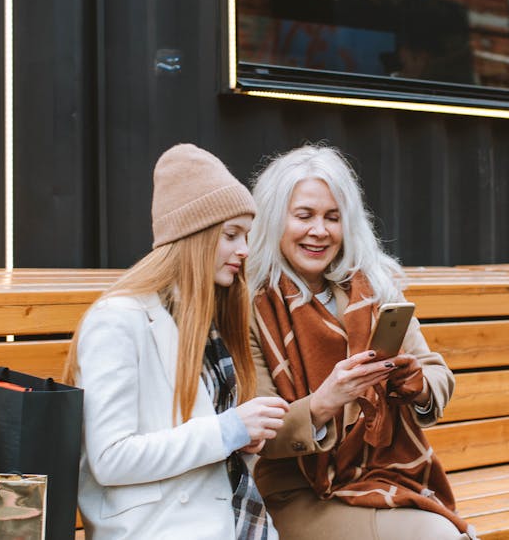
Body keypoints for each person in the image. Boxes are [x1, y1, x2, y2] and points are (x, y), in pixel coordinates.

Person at [246, 145, 472, 539]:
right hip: (295, 493)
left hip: (381, 474)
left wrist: (415, 385)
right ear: (273, 220)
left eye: (332, 218)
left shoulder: (374, 287)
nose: (320, 231)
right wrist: (323, 403)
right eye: (304, 216)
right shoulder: (251, 305)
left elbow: (437, 376)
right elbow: (261, 436)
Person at [65, 143, 289, 539]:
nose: (244, 250)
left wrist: (241, 440)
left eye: (246, 236)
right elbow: (110, 458)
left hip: (236, 520)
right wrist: (228, 431)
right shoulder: (118, 319)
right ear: (194, 236)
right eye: (231, 235)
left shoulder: (210, 321)